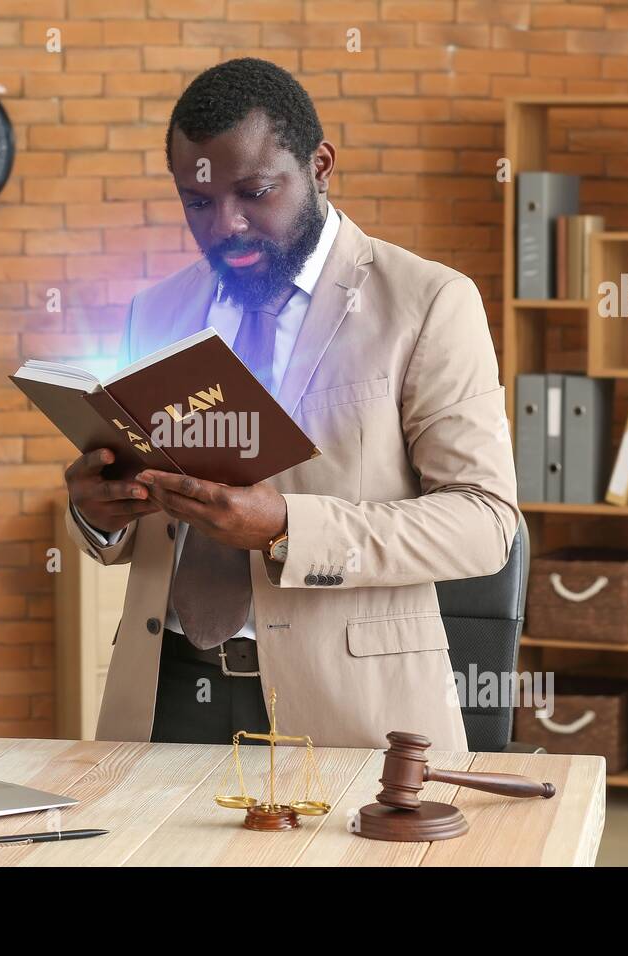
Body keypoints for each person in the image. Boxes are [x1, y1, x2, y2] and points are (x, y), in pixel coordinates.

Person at [62, 58, 519, 750]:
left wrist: (287, 530)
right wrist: (98, 516)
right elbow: (146, 526)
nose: (226, 225)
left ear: (321, 165)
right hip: (165, 694)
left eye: (255, 192)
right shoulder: (157, 309)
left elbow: (484, 523)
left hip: (346, 708)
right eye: (198, 201)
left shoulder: (428, 303)